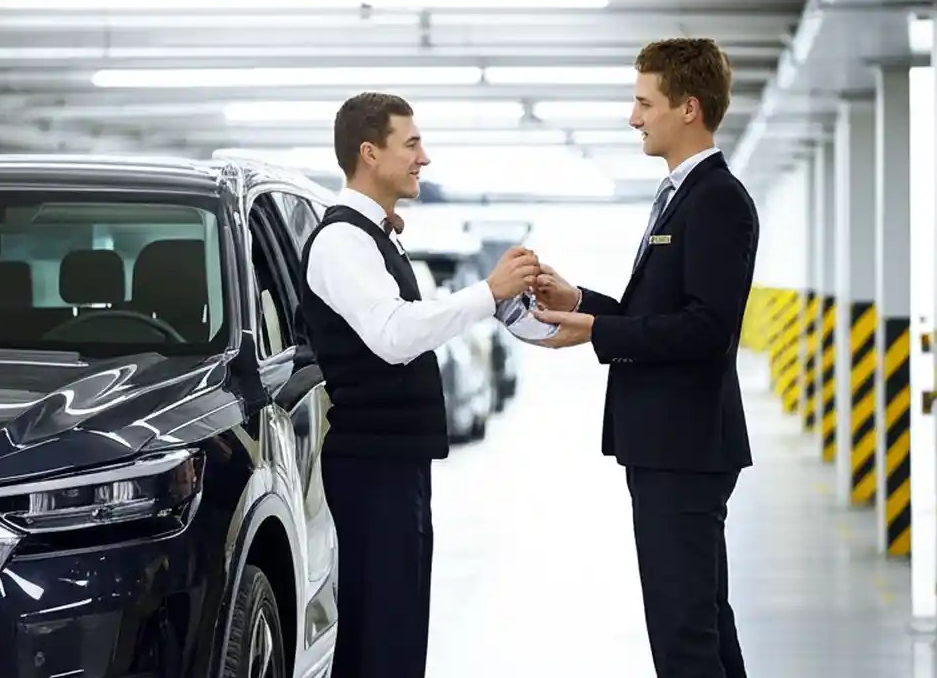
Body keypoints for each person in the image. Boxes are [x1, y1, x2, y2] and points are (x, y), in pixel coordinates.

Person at [531, 38, 759, 678]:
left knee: (683, 632)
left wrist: (598, 332)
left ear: (689, 108)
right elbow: (665, 311)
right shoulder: (684, 194)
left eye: (644, 103)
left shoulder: (715, 199)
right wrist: (580, 301)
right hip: (672, 443)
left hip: (683, 446)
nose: (633, 117)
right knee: (702, 621)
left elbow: (706, 329)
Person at [298, 91, 540, 678]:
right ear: (369, 153)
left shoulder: (374, 236)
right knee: (384, 635)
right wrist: (488, 291)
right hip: (373, 466)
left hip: (392, 461)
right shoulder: (343, 241)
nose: (423, 158)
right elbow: (394, 334)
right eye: (411, 144)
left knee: (393, 629)